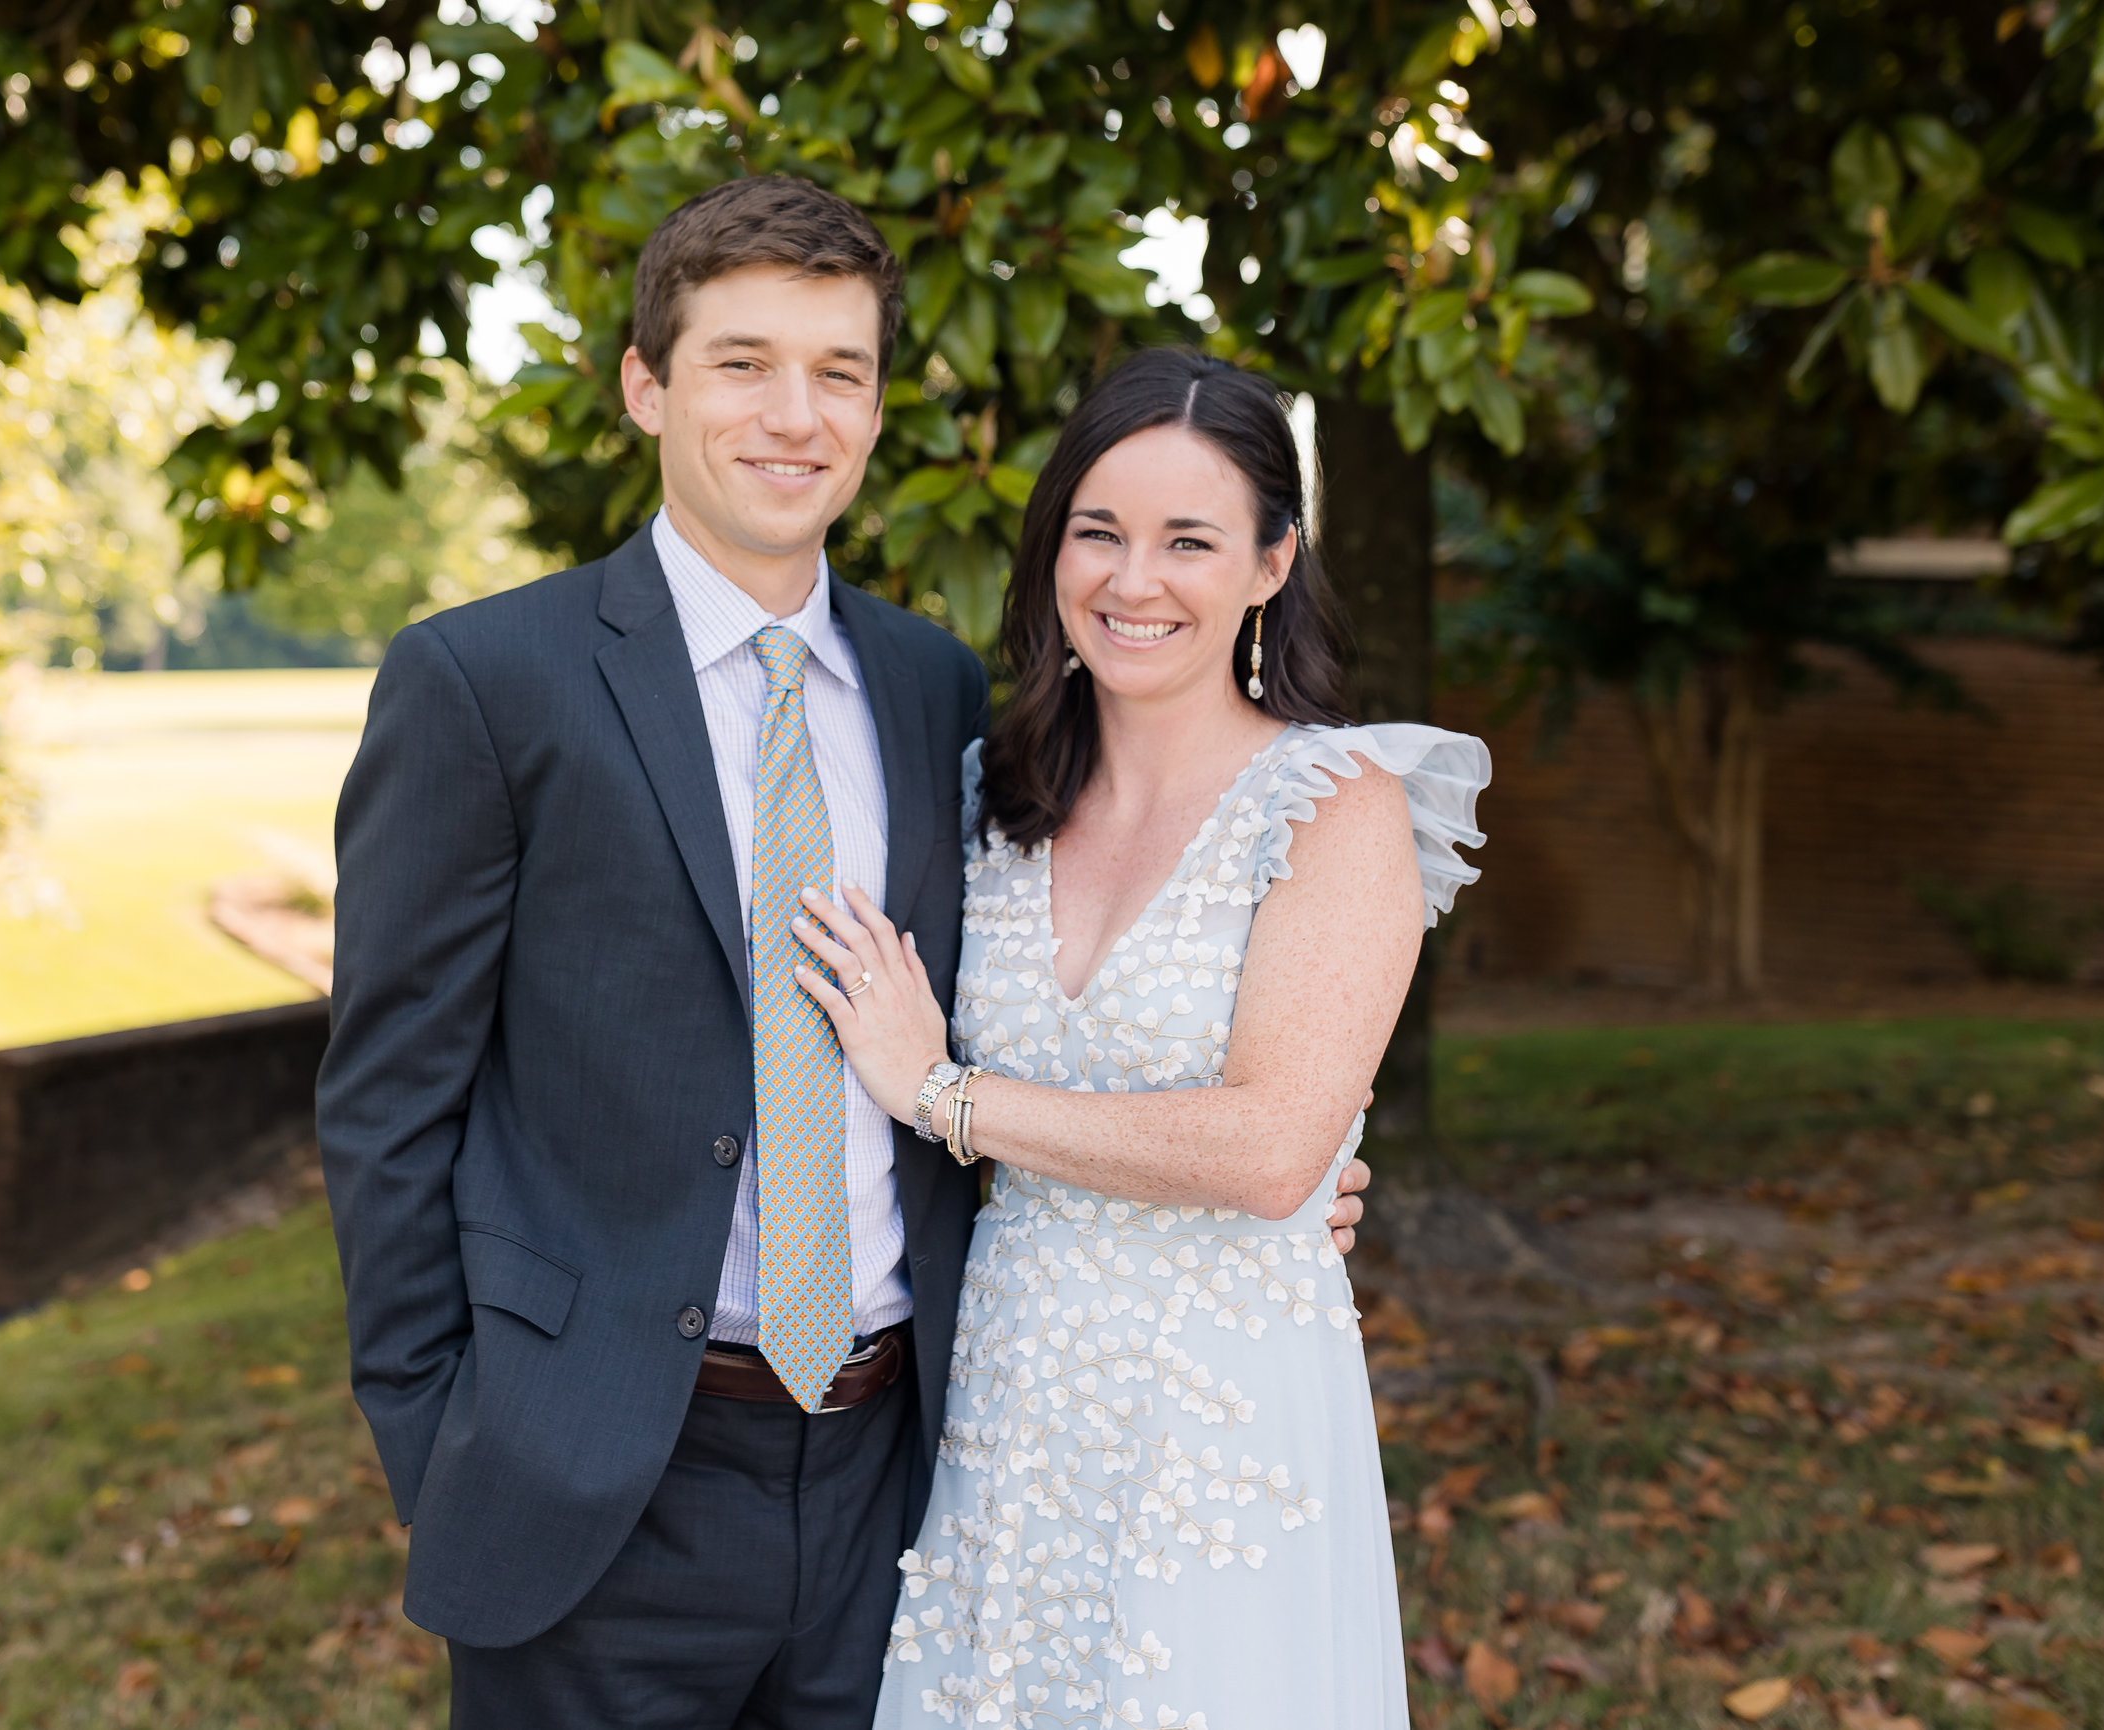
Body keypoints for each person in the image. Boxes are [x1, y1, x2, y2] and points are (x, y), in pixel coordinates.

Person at [317, 178, 1372, 1729]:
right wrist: (445, 1435)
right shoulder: (486, 683)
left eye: (841, 371)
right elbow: (385, 1104)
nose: (792, 415)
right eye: (742, 362)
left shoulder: (942, 695)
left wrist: (1281, 1167)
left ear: (877, 406)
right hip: (601, 1475)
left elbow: (1074, 997)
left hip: (906, 1474)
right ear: (645, 384)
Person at [781, 348, 1490, 1729]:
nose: (1133, 579)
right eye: (1097, 532)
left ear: (1273, 562)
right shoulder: (993, 788)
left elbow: (1274, 1147)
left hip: (1220, 1423)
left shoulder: (1335, 805)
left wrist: (946, 1092)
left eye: (1189, 540)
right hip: (1009, 1390)